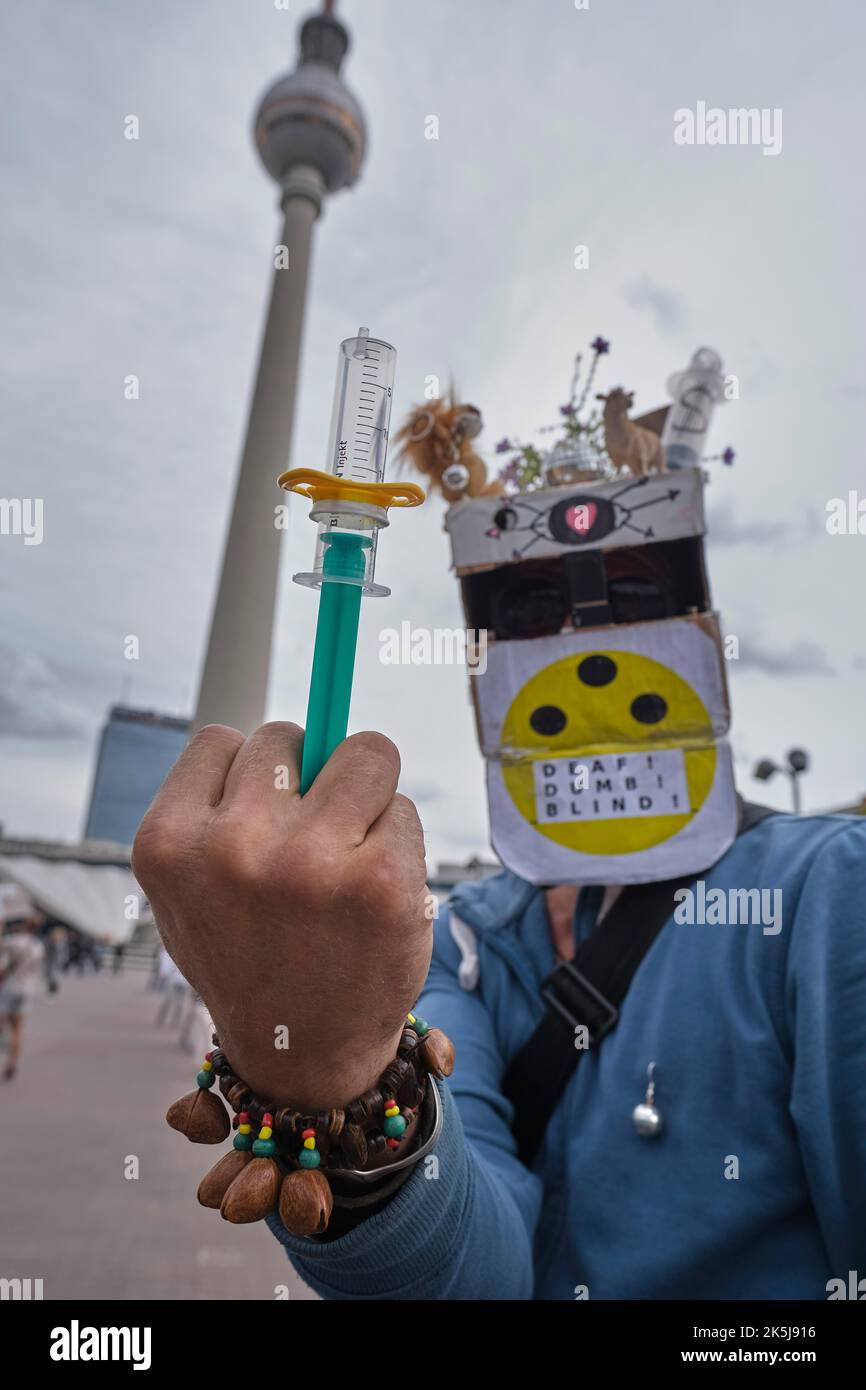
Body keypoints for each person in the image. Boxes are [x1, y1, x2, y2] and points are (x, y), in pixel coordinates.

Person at [134, 436, 866, 1300]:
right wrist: (340, 1079)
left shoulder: (829, 898)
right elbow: (477, 1271)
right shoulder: (459, 941)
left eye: (634, 593)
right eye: (523, 608)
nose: (583, 641)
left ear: (700, 631)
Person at [0, 913, 46, 1082]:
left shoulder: (14, 941)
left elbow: (2, 965)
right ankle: (12, 1062)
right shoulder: (38, 946)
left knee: (2, 1022)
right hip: (27, 989)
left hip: (10, 987)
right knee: (18, 1029)